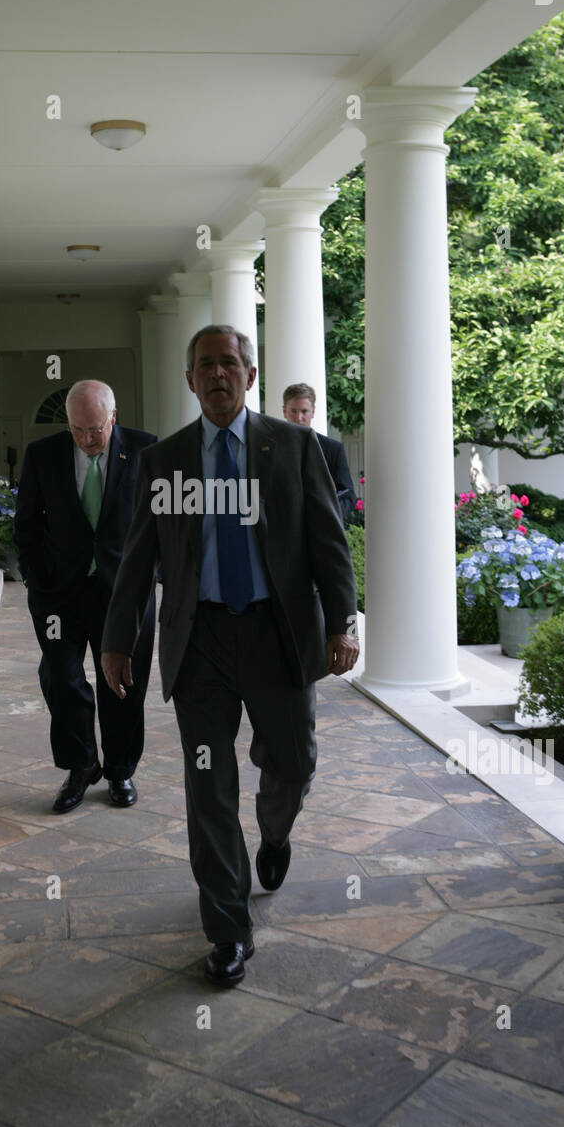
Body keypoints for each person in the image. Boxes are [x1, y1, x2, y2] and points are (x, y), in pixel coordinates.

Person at [101, 327, 358, 986]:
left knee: (294, 759)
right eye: (205, 365)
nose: (218, 374)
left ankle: (274, 835)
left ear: (250, 372)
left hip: (279, 635)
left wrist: (342, 623)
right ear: (191, 380)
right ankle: (228, 929)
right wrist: (115, 639)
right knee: (208, 789)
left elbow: (329, 544)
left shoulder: (296, 448)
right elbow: (139, 559)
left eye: (229, 363)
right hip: (202, 643)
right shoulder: (165, 462)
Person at [14, 380, 156, 813]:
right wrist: (38, 581)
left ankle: (119, 771)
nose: (86, 439)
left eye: (95, 429)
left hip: (125, 593)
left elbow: (162, 521)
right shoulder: (43, 455)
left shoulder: (147, 451)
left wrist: (155, 575)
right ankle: (81, 766)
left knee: (123, 684)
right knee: (61, 678)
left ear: (113, 417)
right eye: (77, 430)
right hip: (60, 594)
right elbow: (27, 526)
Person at [282, 382, 356, 527]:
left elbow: (348, 495)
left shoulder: (333, 449)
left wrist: (325, 516)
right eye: (293, 411)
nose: (299, 418)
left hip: (321, 534)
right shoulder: (270, 448)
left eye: (304, 411)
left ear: (313, 412)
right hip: (282, 534)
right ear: (284, 411)